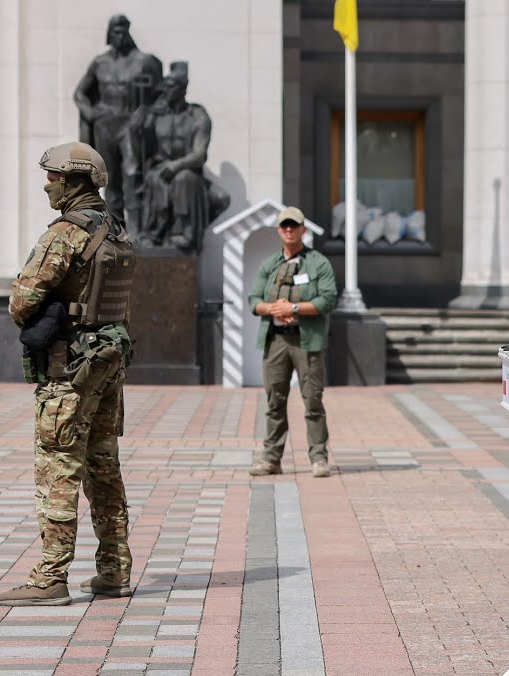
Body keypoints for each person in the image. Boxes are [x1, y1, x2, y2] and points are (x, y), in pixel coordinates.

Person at [0, 142, 138, 606]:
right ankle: (114, 570)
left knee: (58, 467)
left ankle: (50, 577)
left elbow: (21, 302)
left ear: (74, 181)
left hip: (68, 372)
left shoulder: (65, 233)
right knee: (103, 467)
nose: (46, 185)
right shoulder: (116, 229)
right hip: (106, 366)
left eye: (53, 177)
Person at [247, 206, 340, 478]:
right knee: (274, 402)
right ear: (279, 230)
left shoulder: (318, 263)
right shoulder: (269, 264)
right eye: (285, 225)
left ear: (303, 229)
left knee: (313, 402)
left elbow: (328, 299)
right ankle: (271, 459)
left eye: (294, 225)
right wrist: (273, 309)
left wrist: (294, 308)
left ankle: (319, 459)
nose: (289, 230)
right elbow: (253, 300)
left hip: (307, 342)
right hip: (275, 341)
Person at [124, 60, 231, 250]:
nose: (165, 90)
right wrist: (134, 131)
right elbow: (141, 154)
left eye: (171, 87)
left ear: (183, 89)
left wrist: (175, 166)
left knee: (186, 180)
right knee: (158, 180)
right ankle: (156, 234)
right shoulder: (154, 116)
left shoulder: (197, 115)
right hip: (158, 171)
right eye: (165, 86)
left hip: (188, 171)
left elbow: (200, 155)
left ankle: (184, 232)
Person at [73, 14, 164, 227]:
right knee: (111, 180)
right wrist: (89, 112)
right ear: (109, 34)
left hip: (130, 125)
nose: (120, 36)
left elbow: (162, 95)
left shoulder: (144, 61)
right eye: (116, 32)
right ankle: (115, 231)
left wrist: (147, 111)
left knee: (133, 175)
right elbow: (79, 93)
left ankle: (137, 231)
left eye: (123, 32)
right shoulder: (99, 63)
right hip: (105, 126)